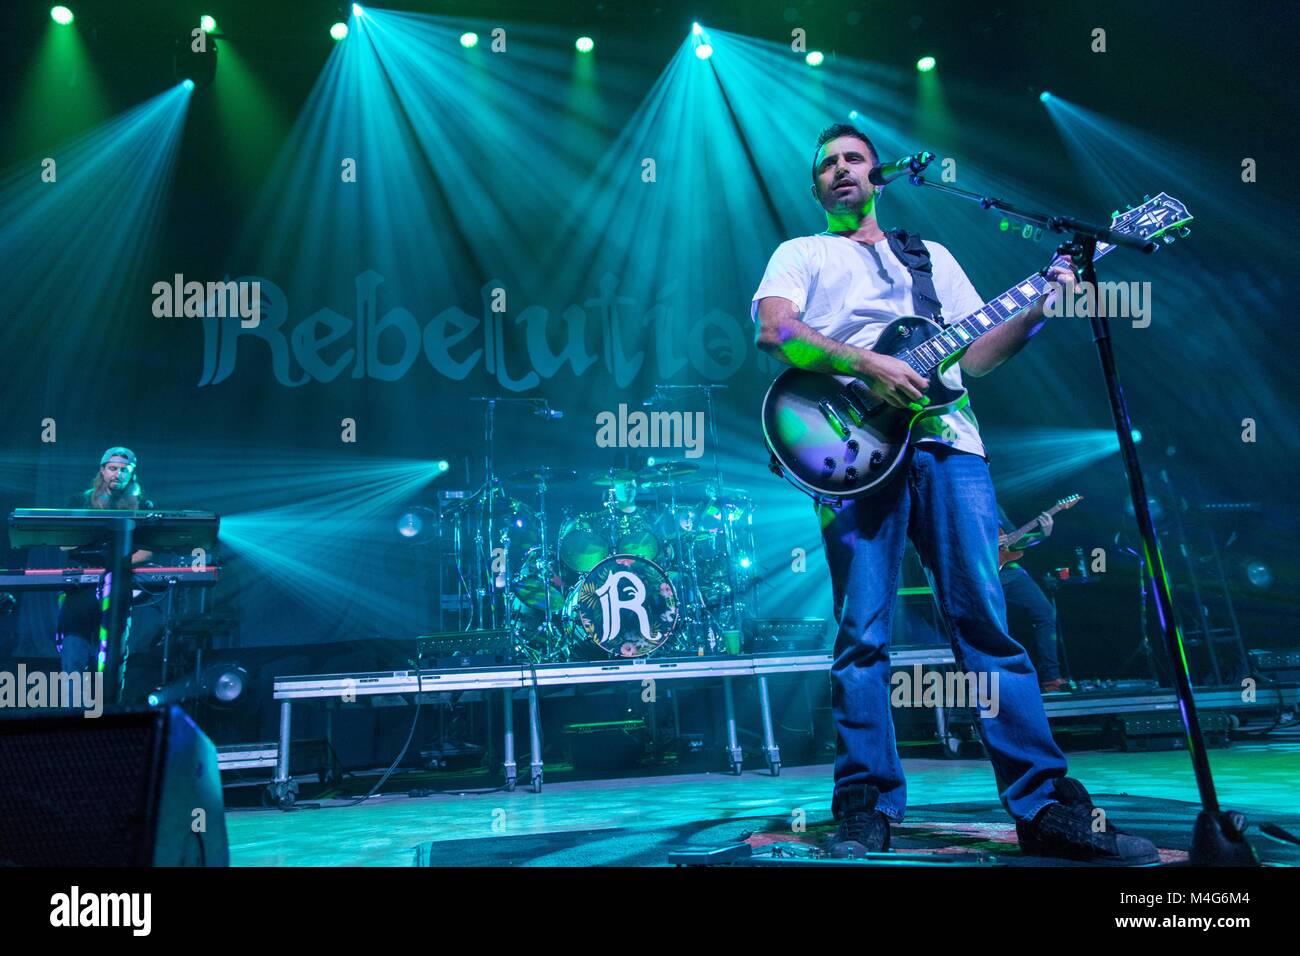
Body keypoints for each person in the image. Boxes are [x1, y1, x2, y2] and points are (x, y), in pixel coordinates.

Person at [751, 123, 1157, 863]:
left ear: (879, 175)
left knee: (985, 626)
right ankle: (864, 805)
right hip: (849, 448)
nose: (842, 170)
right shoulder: (802, 254)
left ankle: (1044, 807)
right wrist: (867, 363)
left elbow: (978, 355)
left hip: (950, 445)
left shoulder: (928, 258)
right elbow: (776, 332)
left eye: (854, 160)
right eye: (828, 165)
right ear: (816, 188)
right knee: (862, 636)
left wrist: (1038, 307)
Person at [55, 447, 153, 679]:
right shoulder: (80, 500)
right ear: (102, 470)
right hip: (80, 587)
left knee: (113, 656)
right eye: (112, 468)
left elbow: (147, 553)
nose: (117, 474)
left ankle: (108, 708)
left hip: (117, 583)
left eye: (123, 470)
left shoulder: (144, 505)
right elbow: (64, 544)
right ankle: (73, 711)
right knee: (73, 652)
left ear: (132, 473)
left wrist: (113, 566)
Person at [997, 502, 1071, 693]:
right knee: (994, 625)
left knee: (1044, 612)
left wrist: (1042, 535)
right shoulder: (960, 503)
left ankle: (1051, 678)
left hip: (1009, 571)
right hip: (981, 573)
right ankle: (1000, 682)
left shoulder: (995, 506)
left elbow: (1016, 541)